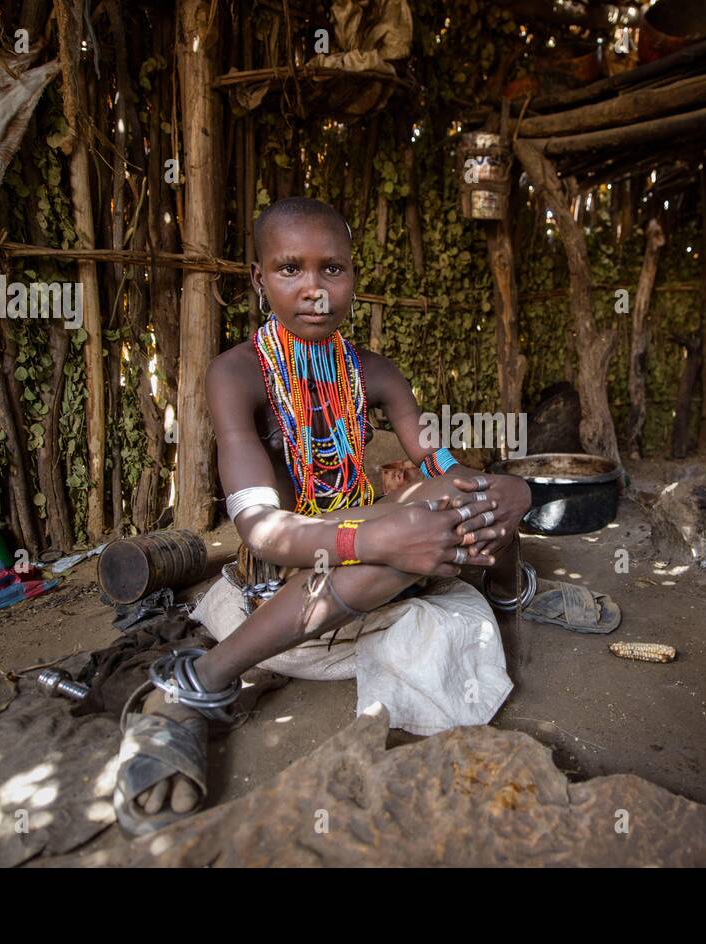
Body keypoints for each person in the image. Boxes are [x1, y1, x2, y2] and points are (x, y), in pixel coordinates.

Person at [113, 197, 534, 834]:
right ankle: (197, 684)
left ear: (353, 278)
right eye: (290, 270)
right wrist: (382, 532)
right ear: (259, 281)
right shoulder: (236, 376)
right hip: (282, 583)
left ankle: (507, 589)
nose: (314, 290)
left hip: (367, 541)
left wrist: (506, 488)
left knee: (463, 499)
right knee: (394, 543)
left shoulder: (377, 374)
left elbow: (440, 463)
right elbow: (262, 529)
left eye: (332, 270)